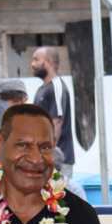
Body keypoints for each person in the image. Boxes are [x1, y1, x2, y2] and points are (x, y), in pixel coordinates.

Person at [31, 47, 76, 178]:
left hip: (57, 162)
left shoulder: (57, 86)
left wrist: (50, 154)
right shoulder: (42, 89)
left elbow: (56, 122)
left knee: (58, 198)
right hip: (42, 160)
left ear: (48, 62)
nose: (32, 64)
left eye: (36, 60)